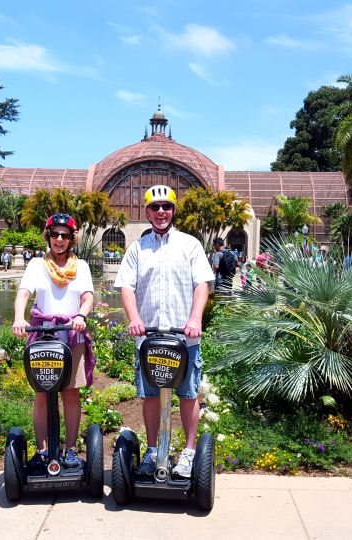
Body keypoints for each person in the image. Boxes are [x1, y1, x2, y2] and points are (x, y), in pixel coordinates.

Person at [115, 184, 214, 478]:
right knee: (150, 396)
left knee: (187, 393)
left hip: (185, 338)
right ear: (147, 211)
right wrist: (134, 318)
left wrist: (195, 319)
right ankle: (154, 450)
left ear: (173, 210)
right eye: (155, 207)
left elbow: (202, 285)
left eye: (166, 207)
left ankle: (188, 451)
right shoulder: (137, 248)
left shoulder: (190, 245)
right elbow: (126, 287)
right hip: (149, 338)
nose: (161, 212)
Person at [13, 213, 95, 470]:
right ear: (48, 236)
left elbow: (88, 297)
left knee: (71, 393)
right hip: (43, 337)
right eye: (54, 234)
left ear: (72, 239)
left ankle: (70, 450)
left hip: (72, 334)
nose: (59, 239)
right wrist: (19, 317)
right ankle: (42, 450)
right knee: (41, 394)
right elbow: (23, 294)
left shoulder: (80, 266)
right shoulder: (37, 265)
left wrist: (81, 315)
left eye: (65, 235)